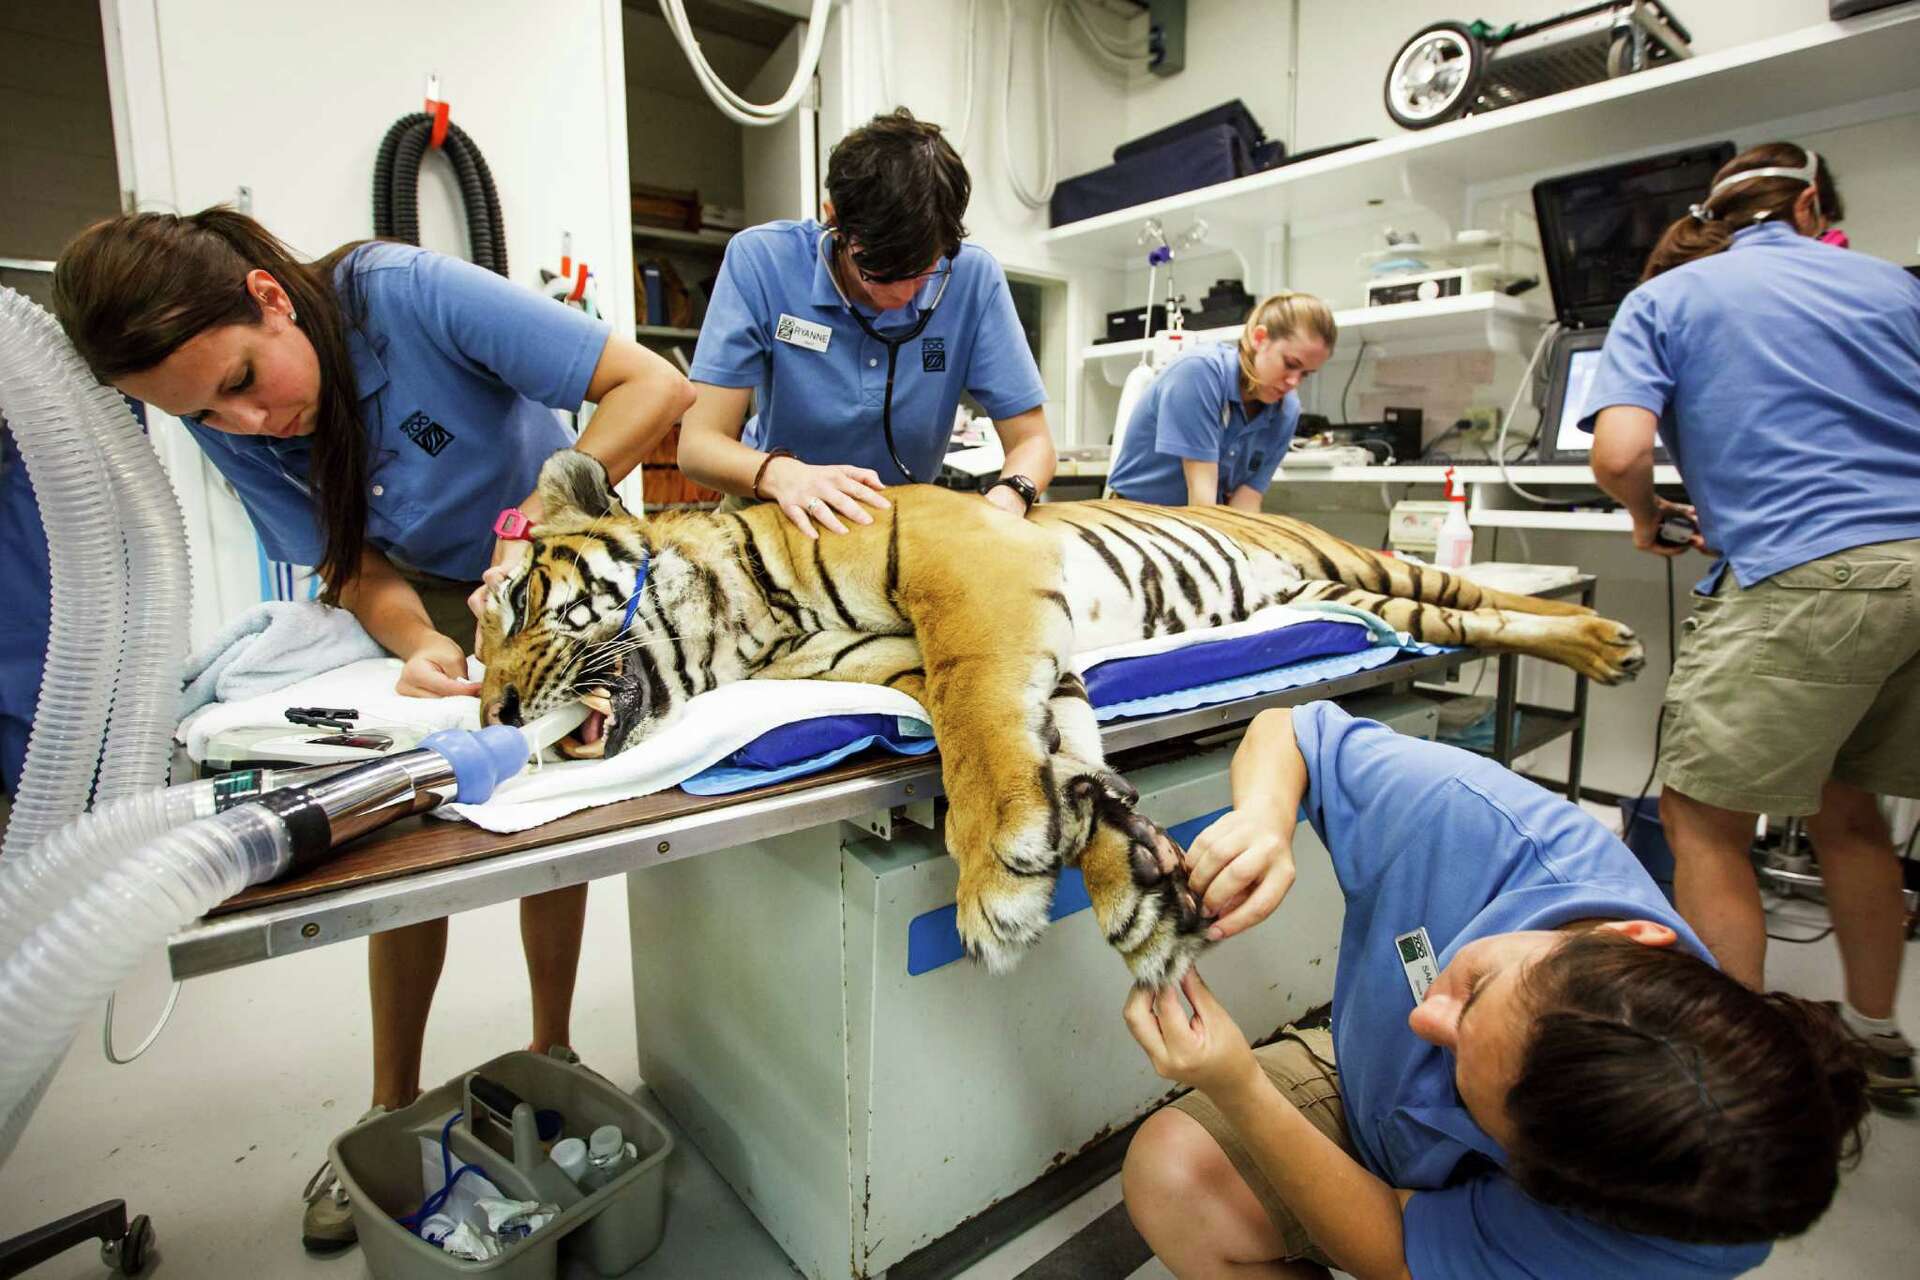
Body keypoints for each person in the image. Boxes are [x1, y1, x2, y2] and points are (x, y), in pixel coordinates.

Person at [53, 208, 695, 1252]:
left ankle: (554, 1050)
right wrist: (416, 640)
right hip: (428, 589)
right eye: (206, 413)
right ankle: (388, 1104)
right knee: (406, 825)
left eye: (244, 380)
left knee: (550, 807)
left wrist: (530, 523)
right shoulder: (226, 416)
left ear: (270, 298)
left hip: (554, 554)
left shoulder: (406, 295)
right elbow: (349, 561)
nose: (247, 421)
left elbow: (652, 386)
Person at [1121, 702, 1868, 1279]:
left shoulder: (1676, 1218)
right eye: (1476, 988)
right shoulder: (1481, 826)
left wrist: (1241, 1084)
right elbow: (1289, 731)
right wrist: (1265, 819)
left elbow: (1400, 1255)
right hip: (1370, 1096)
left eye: (1478, 1104)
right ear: (1631, 936)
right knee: (1173, 1173)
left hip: (1467, 1189)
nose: (1423, 1015)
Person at [1583, 142, 1920, 1101]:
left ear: (1717, 217)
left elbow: (1619, 453)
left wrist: (1646, 515)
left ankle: (1733, 1084)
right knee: (1852, 813)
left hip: (1804, 574)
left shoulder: (1668, 298)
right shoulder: (1897, 288)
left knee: (1702, 824)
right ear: (1812, 207)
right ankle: (1877, 1039)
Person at [678, 108, 1055, 535]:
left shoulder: (974, 279)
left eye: (924, 272)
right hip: (773, 508)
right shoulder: (762, 260)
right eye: (878, 273)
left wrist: (1009, 497)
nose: (903, 295)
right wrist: (784, 475)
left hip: (897, 526)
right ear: (834, 219)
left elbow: (1033, 441)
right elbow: (698, 447)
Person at [1105, 292, 1334, 508]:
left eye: (1305, 374)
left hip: (1202, 520)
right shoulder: (1199, 373)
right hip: (1133, 518)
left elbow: (1247, 499)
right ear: (1259, 339)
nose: (1294, 382)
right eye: (1290, 364)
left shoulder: (1286, 409)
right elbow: (1202, 499)